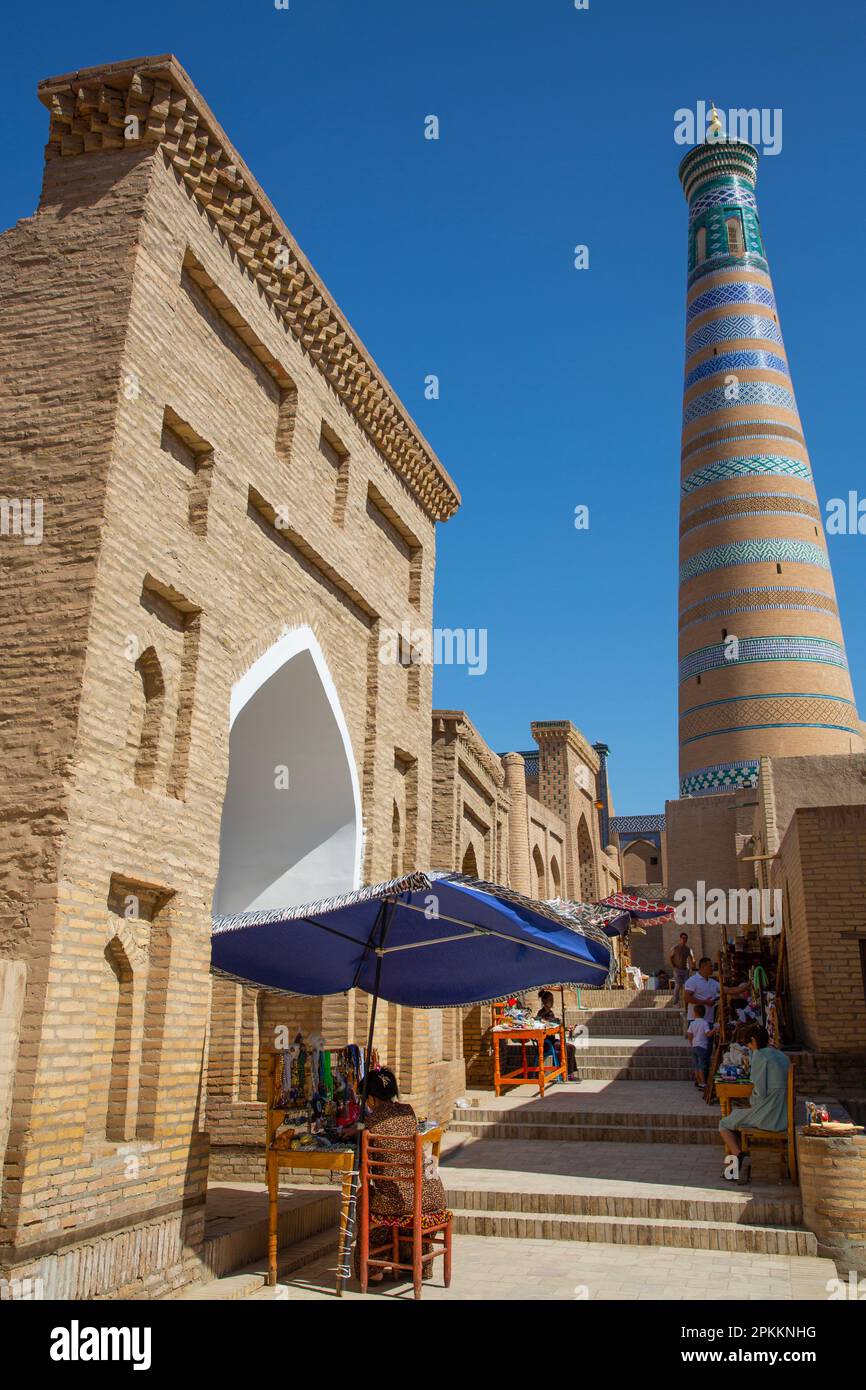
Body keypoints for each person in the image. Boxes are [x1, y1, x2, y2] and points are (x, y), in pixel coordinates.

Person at [352, 1067, 448, 1282]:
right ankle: (416, 1262)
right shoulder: (407, 1111)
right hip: (433, 1195)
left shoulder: (370, 1123)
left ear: (371, 1098)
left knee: (364, 1200)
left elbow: (366, 1172)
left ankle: (374, 1268)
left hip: (401, 1202)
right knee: (396, 1200)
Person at [719, 1024, 791, 1185]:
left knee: (724, 1123)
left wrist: (751, 1103)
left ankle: (738, 1156)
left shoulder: (760, 1056)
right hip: (785, 1113)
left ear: (753, 1041)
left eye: (749, 1044)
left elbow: (760, 1093)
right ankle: (738, 1161)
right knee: (737, 1118)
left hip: (770, 1115)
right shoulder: (782, 1056)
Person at [684, 957, 721, 1028]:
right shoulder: (692, 980)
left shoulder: (713, 982)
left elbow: (727, 990)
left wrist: (742, 987)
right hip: (695, 1021)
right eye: (710, 966)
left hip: (709, 1020)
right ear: (703, 967)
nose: (712, 968)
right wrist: (705, 1002)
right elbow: (687, 998)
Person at [687, 1003, 717, 1088]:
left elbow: (689, 1035)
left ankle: (698, 1081)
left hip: (694, 1046)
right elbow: (708, 1034)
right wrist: (715, 1030)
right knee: (701, 1066)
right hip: (702, 1047)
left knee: (696, 1066)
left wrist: (692, 1043)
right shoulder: (705, 1023)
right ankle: (703, 1083)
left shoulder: (692, 1023)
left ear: (695, 1013)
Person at [670, 933, 695, 1005]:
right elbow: (671, 957)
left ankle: (687, 1000)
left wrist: (693, 965)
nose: (684, 939)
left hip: (685, 970)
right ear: (680, 939)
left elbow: (692, 958)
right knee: (678, 984)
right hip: (677, 970)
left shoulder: (688, 949)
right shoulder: (675, 948)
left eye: (686, 938)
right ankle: (676, 1001)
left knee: (687, 985)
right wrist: (673, 967)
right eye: (683, 938)